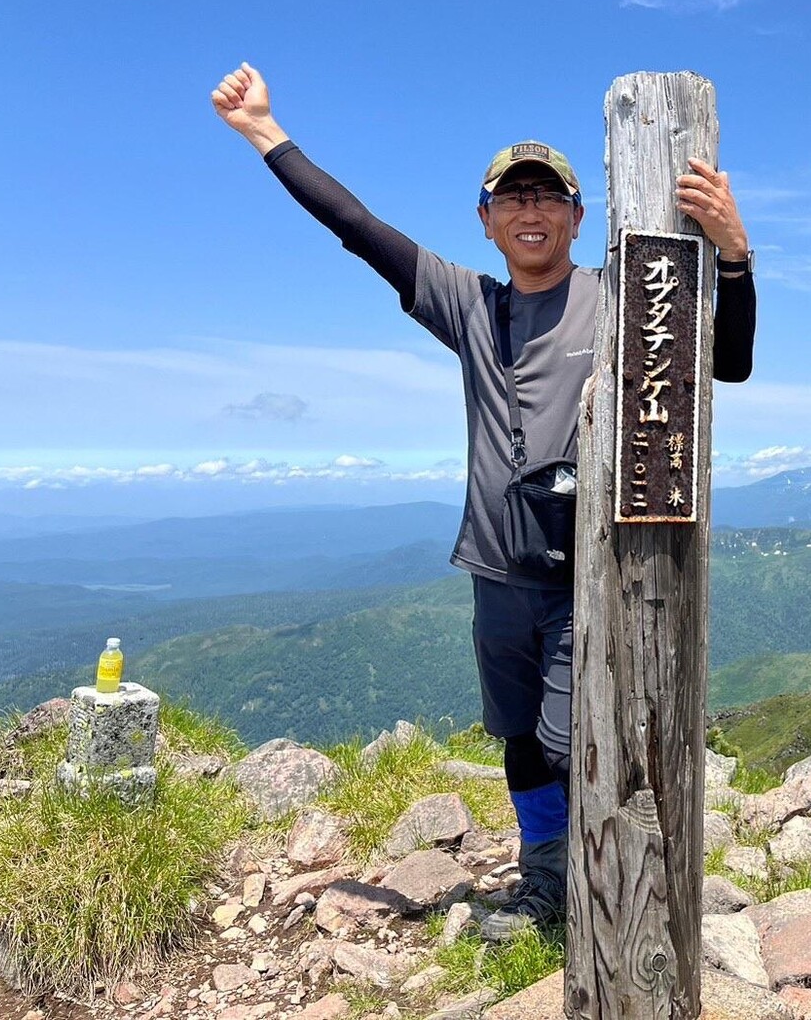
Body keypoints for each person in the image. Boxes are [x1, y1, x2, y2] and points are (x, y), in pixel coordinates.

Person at [211, 63, 755, 940]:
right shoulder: (470, 305)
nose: (531, 210)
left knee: (565, 736)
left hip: (596, 569)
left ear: (581, 218)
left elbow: (723, 364)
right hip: (497, 569)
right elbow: (356, 228)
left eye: (550, 196)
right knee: (515, 736)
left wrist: (733, 255)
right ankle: (545, 885)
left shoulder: (616, 295)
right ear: (487, 221)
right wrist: (265, 132)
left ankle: (606, 890)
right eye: (513, 198)